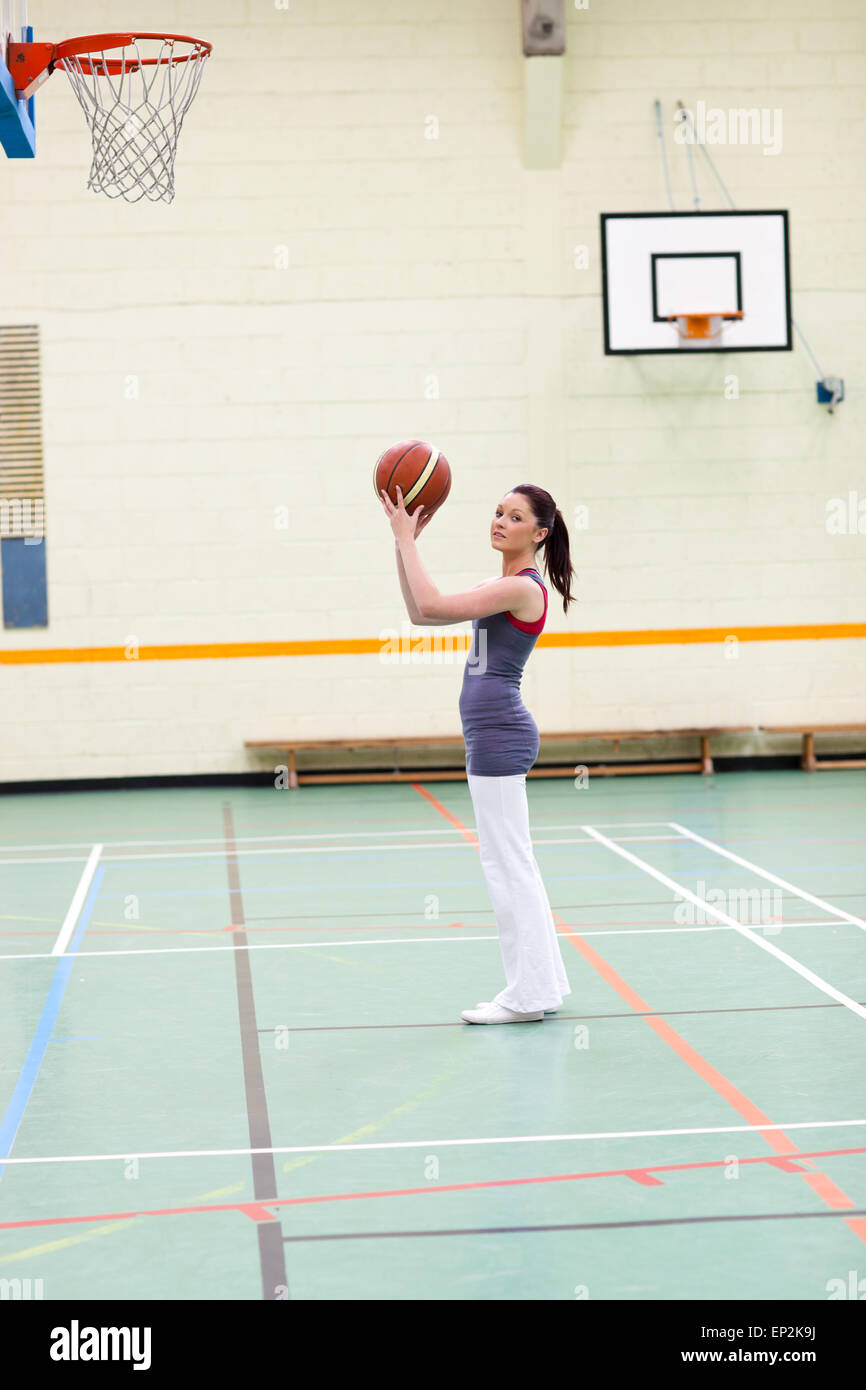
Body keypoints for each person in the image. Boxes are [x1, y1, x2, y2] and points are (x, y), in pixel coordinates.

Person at [381, 481, 576, 1025]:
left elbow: (432, 603)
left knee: (505, 866)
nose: (499, 522)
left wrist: (406, 540)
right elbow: (422, 613)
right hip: (492, 734)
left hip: (499, 734)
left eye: (514, 518)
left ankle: (526, 996)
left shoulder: (523, 588)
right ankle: (545, 984)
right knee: (515, 864)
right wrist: (405, 546)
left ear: (538, 534)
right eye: (497, 512)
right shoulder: (501, 582)